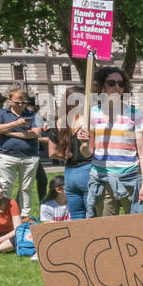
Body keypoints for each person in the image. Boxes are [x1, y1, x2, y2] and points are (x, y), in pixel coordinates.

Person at [86, 67, 143, 216]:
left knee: (138, 226)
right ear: (102, 86)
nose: (117, 87)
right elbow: (88, 151)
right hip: (103, 179)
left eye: (121, 84)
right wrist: (83, 143)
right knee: (106, 229)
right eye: (111, 83)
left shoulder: (135, 114)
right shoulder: (92, 113)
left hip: (131, 178)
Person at [0, 85, 41, 216]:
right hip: (7, 155)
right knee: (5, 186)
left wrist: (9, 133)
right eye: (17, 102)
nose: (21, 105)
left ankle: (24, 215)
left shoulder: (33, 115)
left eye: (23, 102)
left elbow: (35, 133)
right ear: (10, 100)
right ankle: (4, 213)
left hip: (30, 157)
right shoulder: (1, 113)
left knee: (26, 188)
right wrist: (16, 124)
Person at [42, 85, 92, 221]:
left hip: (69, 173)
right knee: (92, 215)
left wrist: (65, 155)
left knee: (76, 216)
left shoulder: (57, 122)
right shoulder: (87, 121)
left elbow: (52, 153)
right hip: (88, 169)